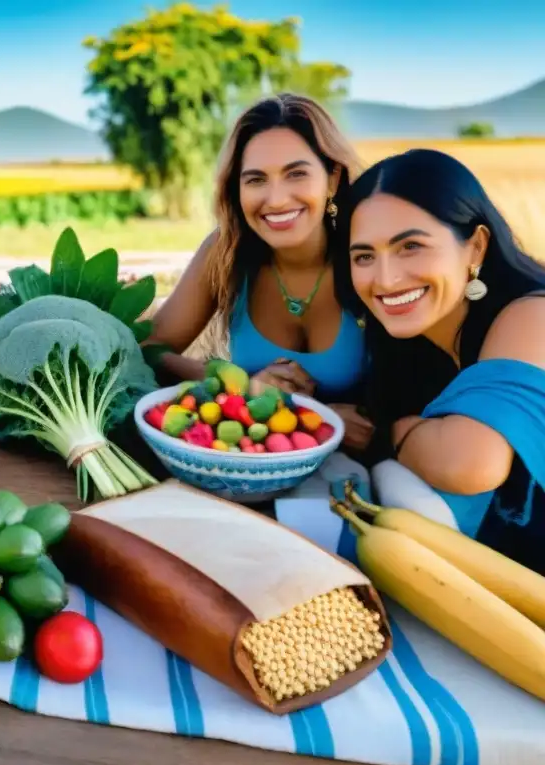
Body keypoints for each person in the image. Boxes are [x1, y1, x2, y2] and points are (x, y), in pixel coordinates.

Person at [340, 148, 545, 574]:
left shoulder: (532, 314)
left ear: (476, 248)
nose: (386, 278)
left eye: (411, 246)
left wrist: (395, 431)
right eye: (364, 256)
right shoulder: (408, 346)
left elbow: (469, 465)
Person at [147, 94, 373, 452]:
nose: (277, 199)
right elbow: (151, 350)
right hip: (254, 468)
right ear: (236, 190)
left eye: (296, 174)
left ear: (333, 177)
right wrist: (242, 387)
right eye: (255, 180)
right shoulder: (225, 253)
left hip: (369, 477)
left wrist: (329, 419)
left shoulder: (371, 254)